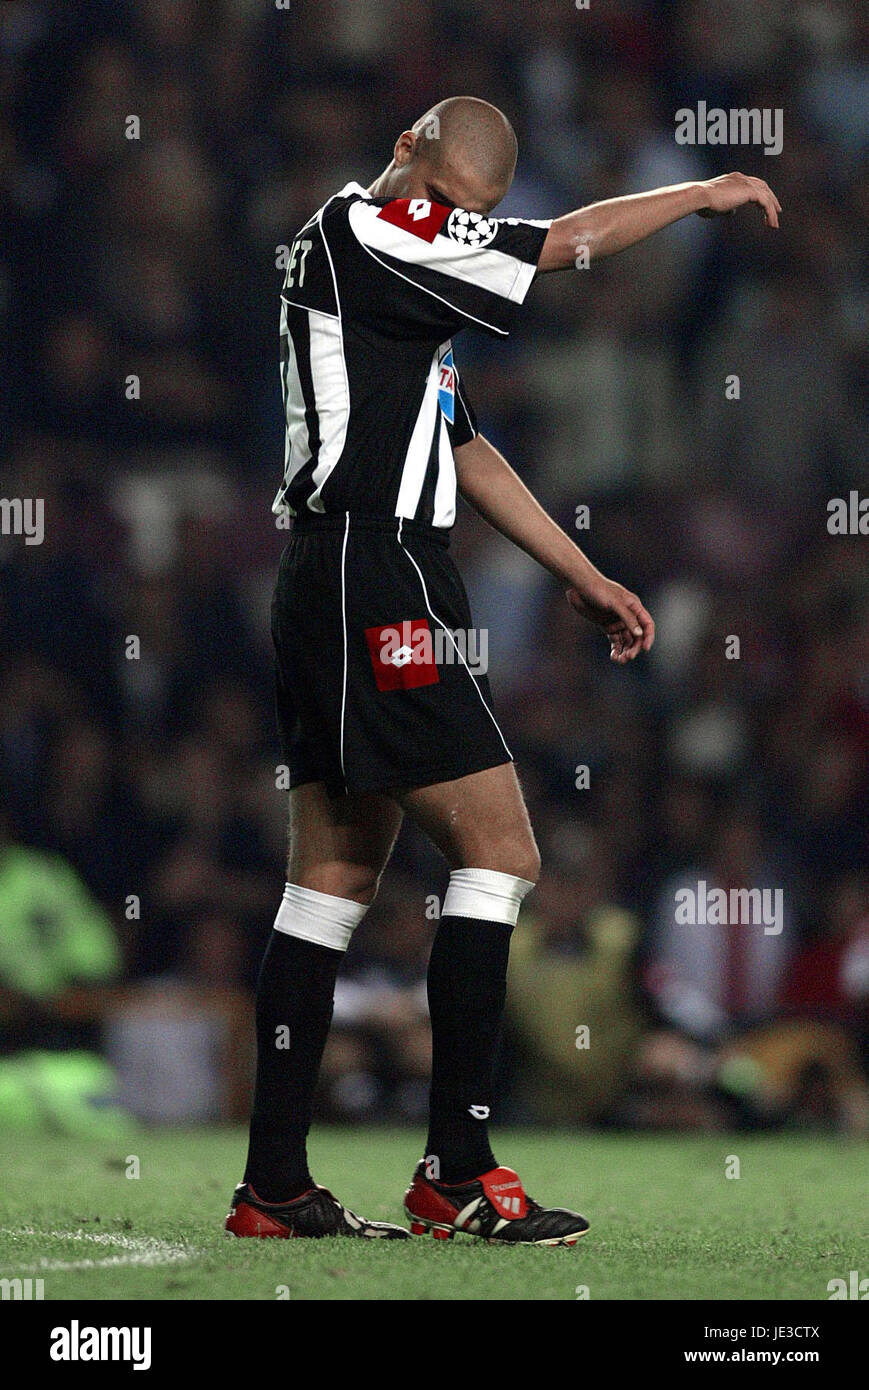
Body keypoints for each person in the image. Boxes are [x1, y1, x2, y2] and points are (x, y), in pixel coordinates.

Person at [225, 96, 780, 1244]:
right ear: (402, 154)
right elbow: (568, 241)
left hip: (341, 578)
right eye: (447, 200)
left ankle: (274, 1186)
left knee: (327, 881)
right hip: (374, 577)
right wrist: (699, 193)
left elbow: (462, 443)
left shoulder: (390, 271)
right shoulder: (379, 238)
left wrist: (580, 572)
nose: (454, 222)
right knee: (505, 849)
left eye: (472, 214)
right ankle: (458, 1167)